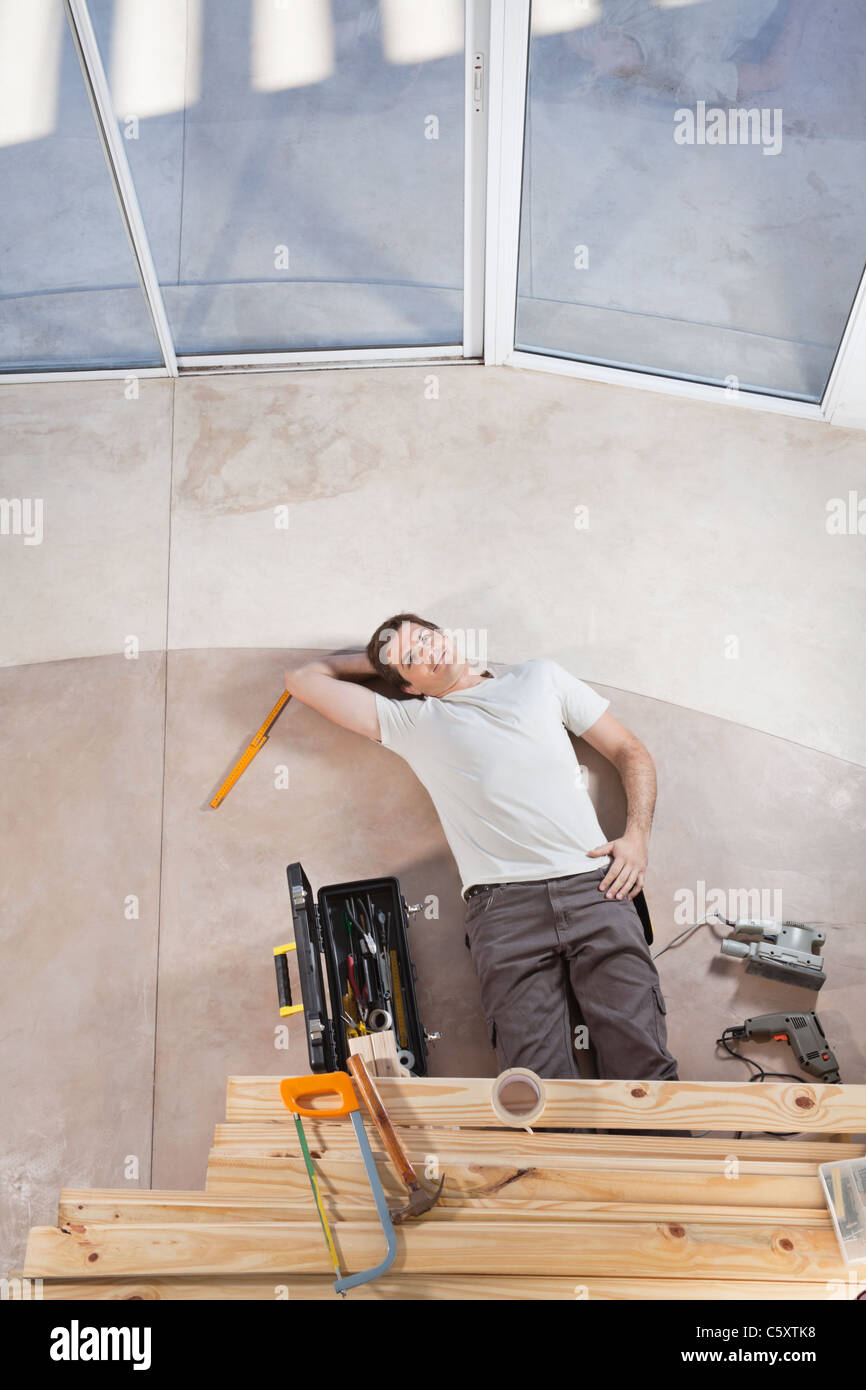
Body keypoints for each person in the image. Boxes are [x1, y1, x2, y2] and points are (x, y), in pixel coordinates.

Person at [284, 613, 678, 1083]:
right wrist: (378, 659)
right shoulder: (413, 721)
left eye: (427, 639)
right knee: (534, 1085)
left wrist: (637, 839)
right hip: (503, 912)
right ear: (408, 687)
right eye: (412, 658)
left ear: (446, 635)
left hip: (597, 886)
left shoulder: (539, 677)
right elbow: (301, 679)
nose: (428, 651)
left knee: (644, 1062)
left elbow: (630, 751)